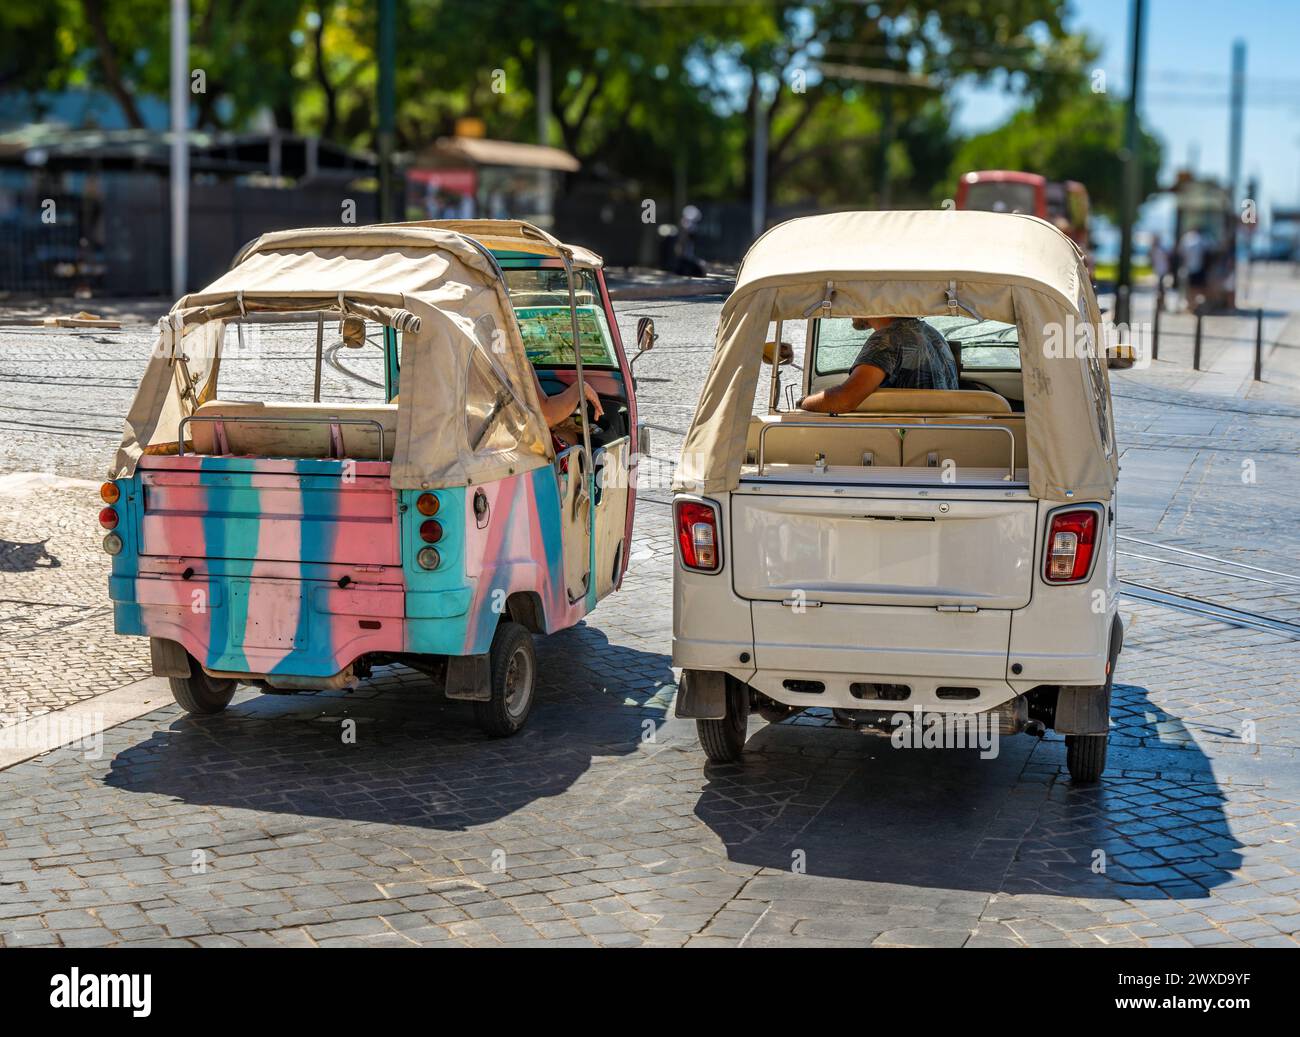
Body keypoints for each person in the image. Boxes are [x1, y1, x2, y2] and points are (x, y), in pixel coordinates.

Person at [797, 316, 958, 413]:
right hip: (937, 437)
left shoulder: (887, 339)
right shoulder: (933, 334)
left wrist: (802, 403)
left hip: (904, 441)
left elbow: (845, 400)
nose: (848, 308)